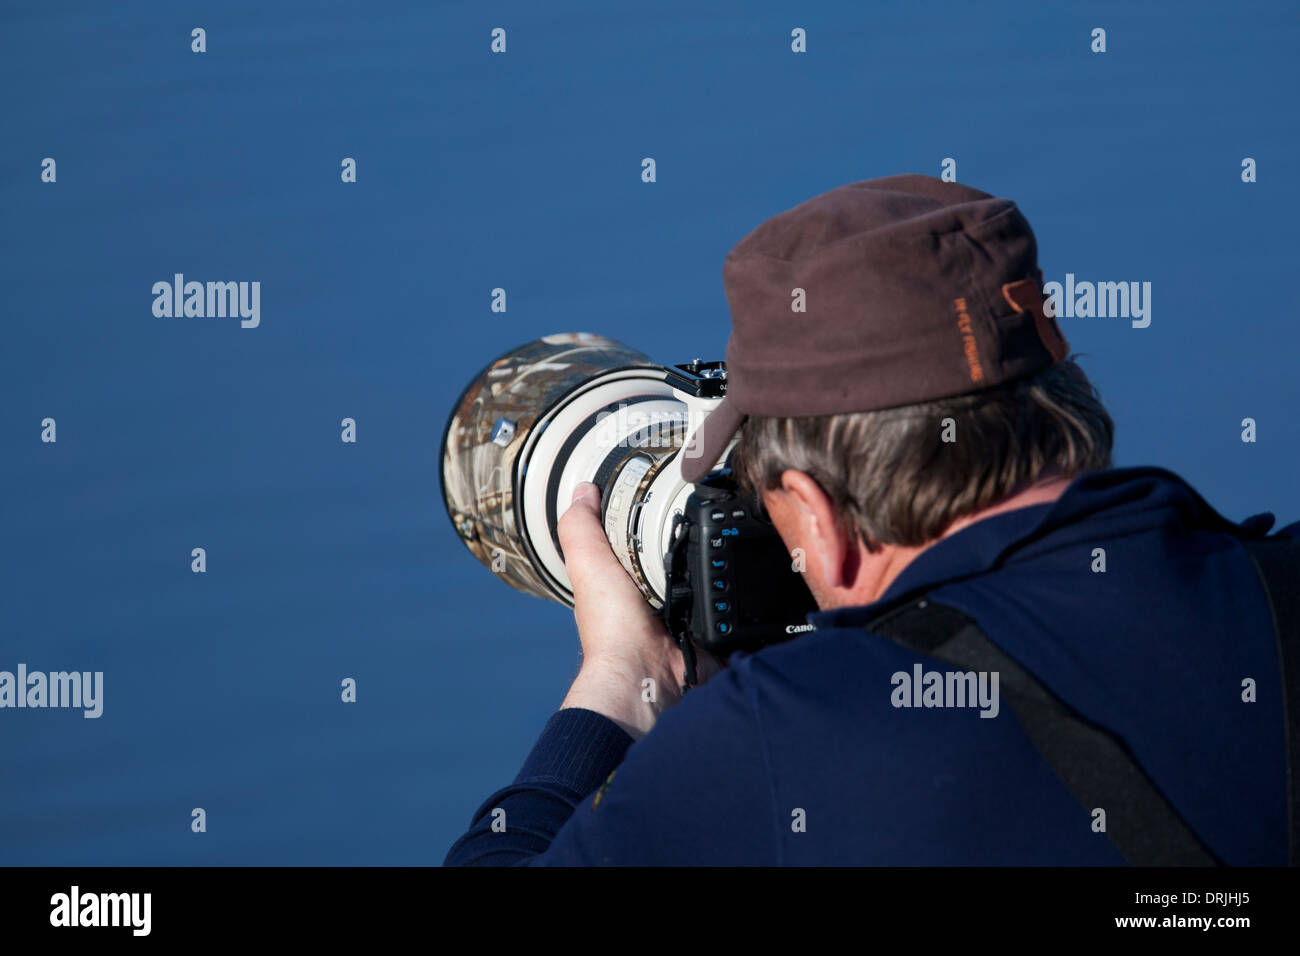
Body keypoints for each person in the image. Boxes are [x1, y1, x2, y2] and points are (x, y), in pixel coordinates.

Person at [444, 174, 1297, 865]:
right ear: (1074, 410)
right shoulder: (1274, 583)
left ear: (818, 519)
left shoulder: (778, 743)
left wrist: (625, 683)